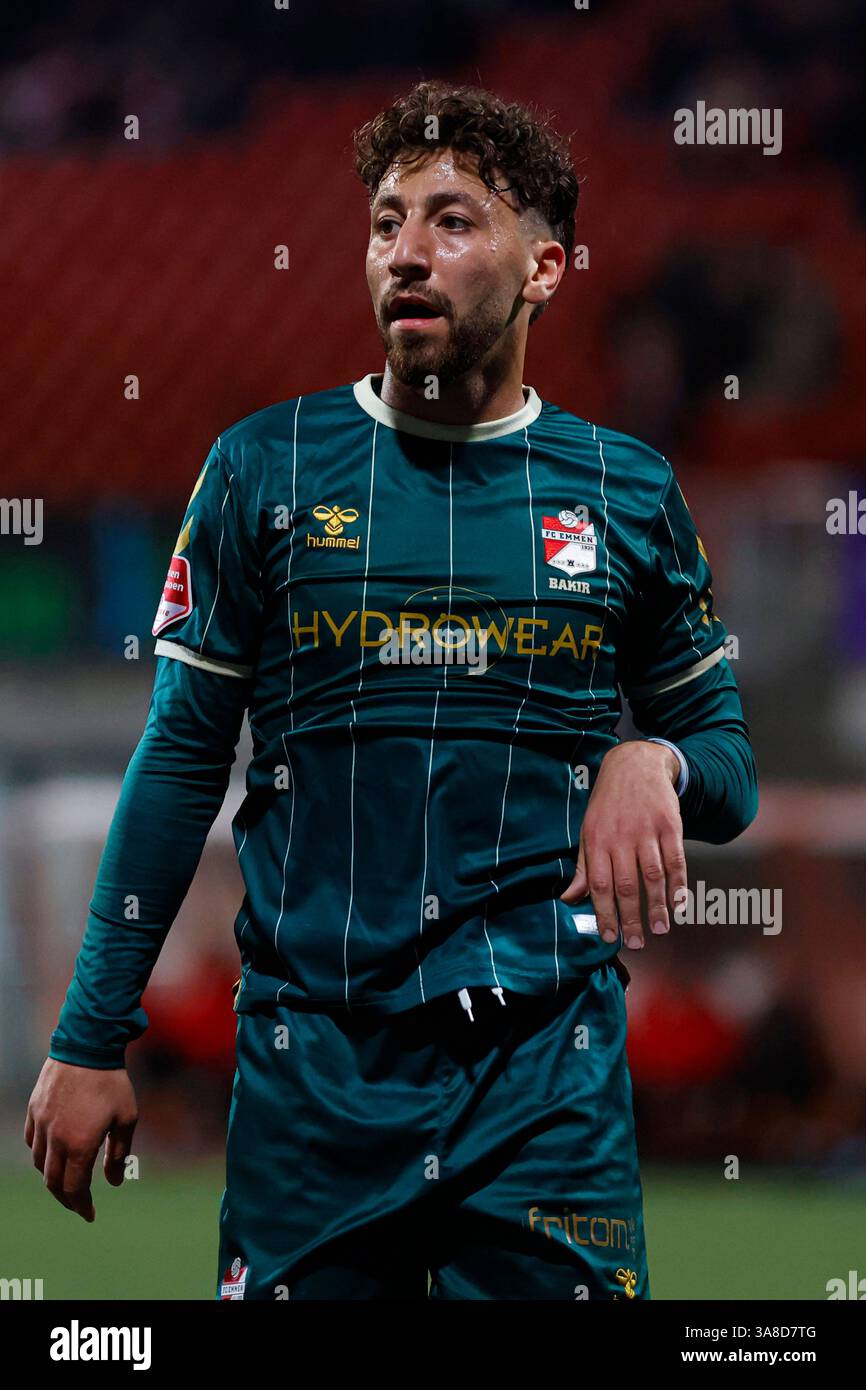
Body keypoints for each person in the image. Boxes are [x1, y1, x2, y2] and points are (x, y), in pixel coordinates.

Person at [26, 80, 758, 1301]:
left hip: (545, 1087)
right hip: (314, 1088)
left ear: (544, 267)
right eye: (383, 221)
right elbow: (177, 758)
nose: (405, 253)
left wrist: (656, 758)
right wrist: (91, 1033)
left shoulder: (623, 491)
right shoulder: (264, 469)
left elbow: (721, 759)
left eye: (453, 221)